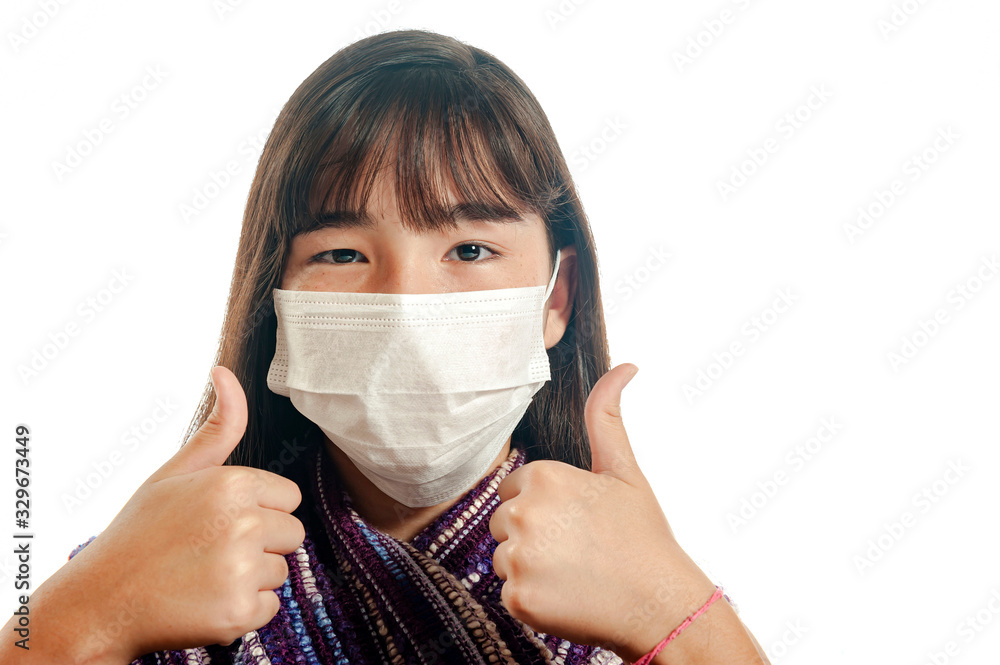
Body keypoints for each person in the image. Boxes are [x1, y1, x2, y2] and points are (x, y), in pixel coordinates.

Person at [2, 29, 770, 664]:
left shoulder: (639, 589)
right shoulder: (165, 567)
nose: (406, 309)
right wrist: (84, 610)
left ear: (556, 297)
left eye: (469, 250)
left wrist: (675, 607)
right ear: (281, 298)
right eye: (342, 254)